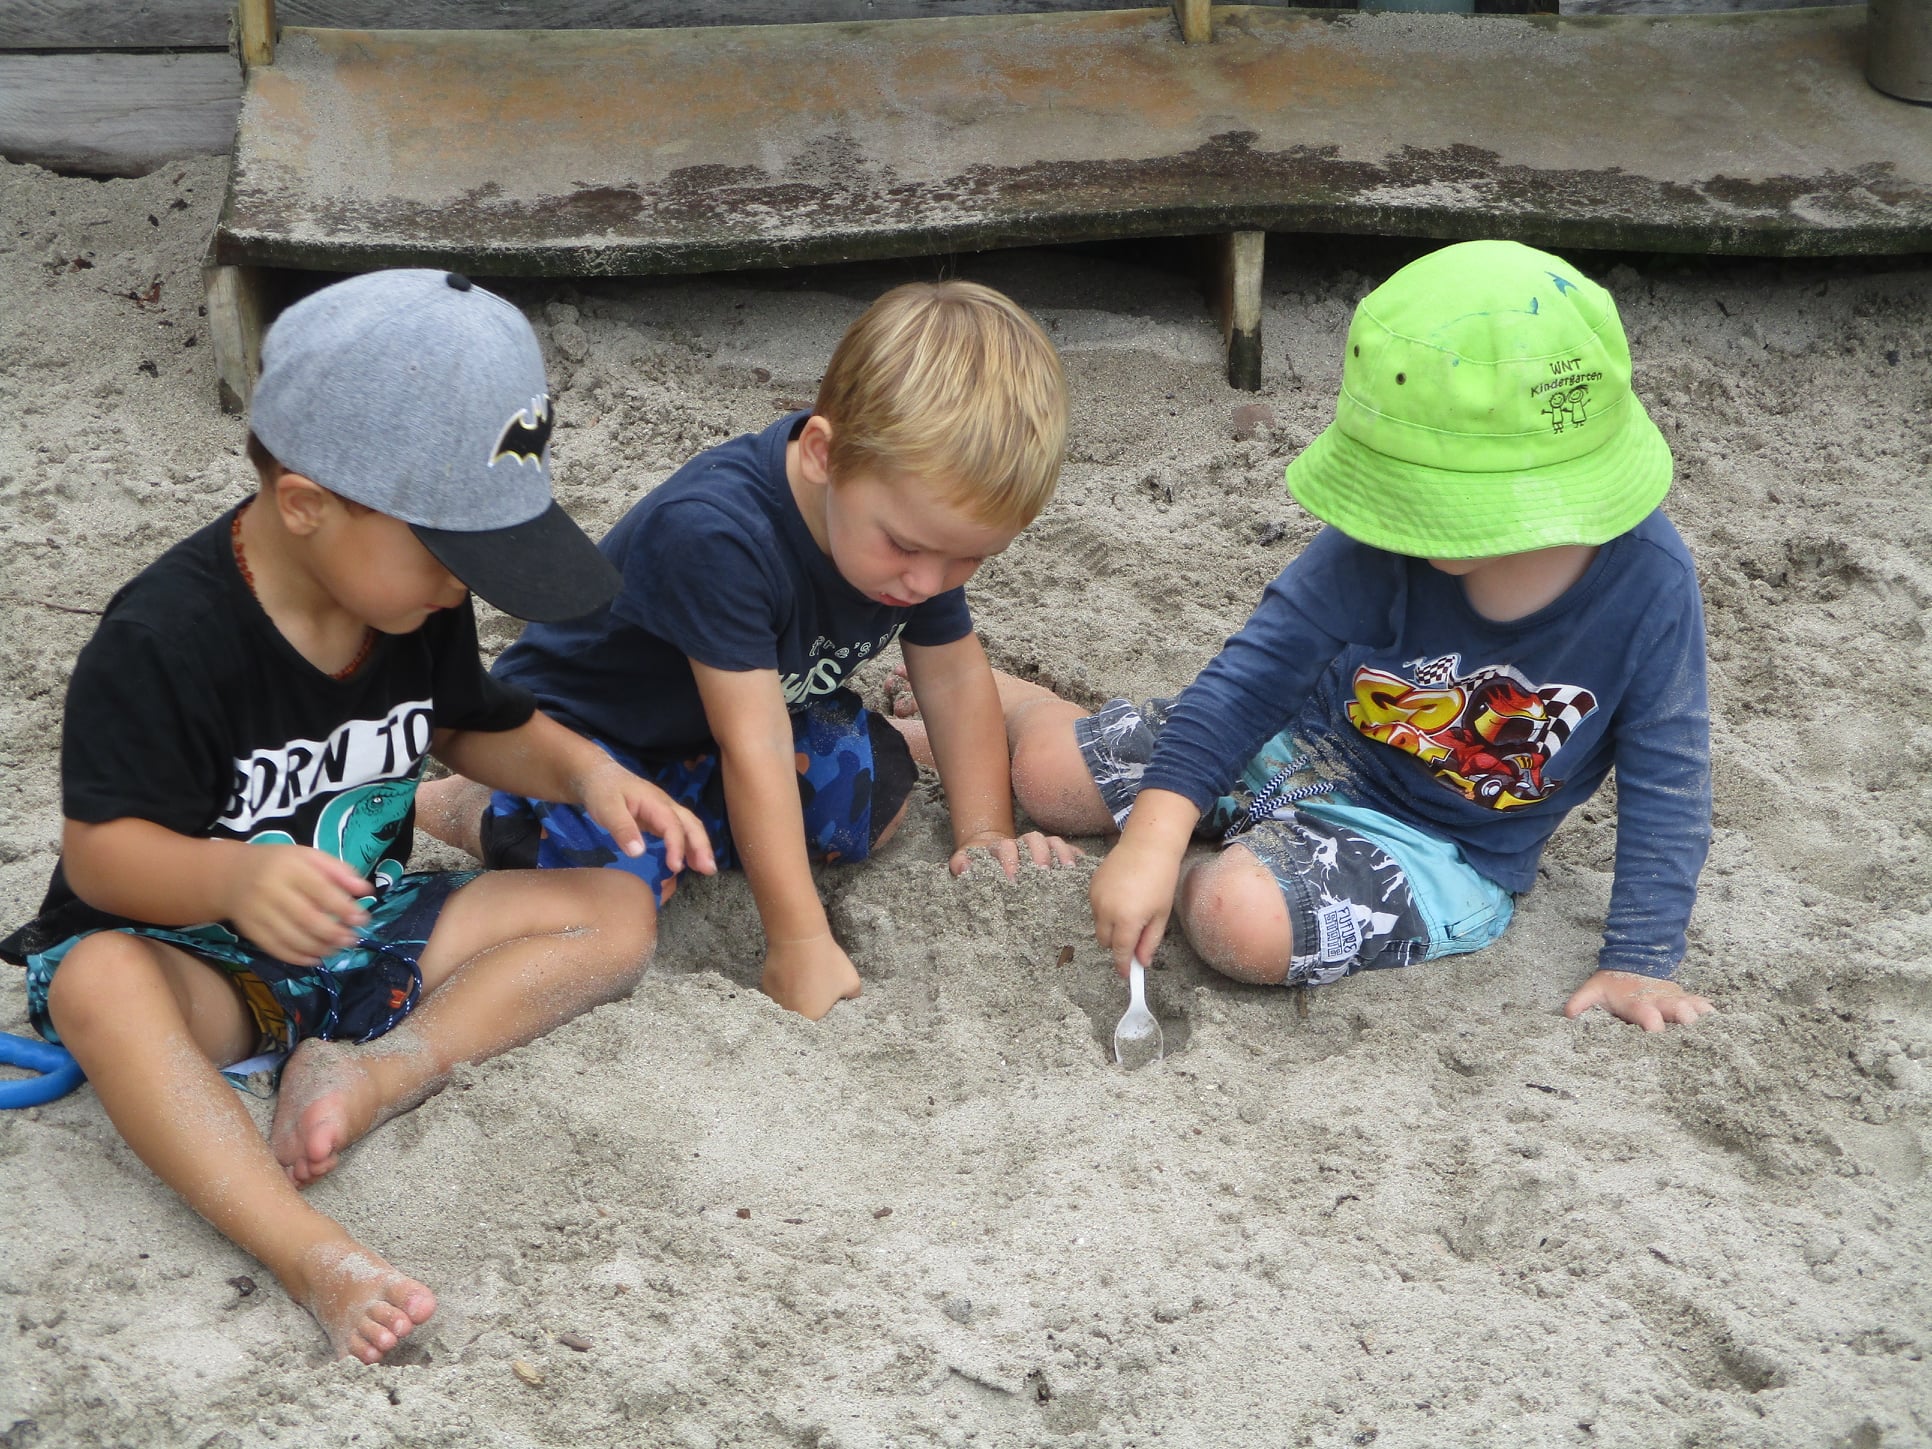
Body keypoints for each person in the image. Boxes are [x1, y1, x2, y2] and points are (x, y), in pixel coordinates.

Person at [1, 269, 715, 1364]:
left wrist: (584, 773)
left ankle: (375, 1071)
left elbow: (469, 726)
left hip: (363, 933)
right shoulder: (166, 637)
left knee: (614, 910)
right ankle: (307, 1252)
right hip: (198, 962)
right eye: (453, 555)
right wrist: (234, 881)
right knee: (99, 988)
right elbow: (102, 858)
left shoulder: (414, 597)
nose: (459, 587)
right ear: (306, 505)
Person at [919, 241, 1715, 1031]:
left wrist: (1639, 959)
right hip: (1299, 742)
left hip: (1439, 844)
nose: (1396, 514)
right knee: (1046, 776)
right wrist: (1156, 833)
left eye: (1418, 491)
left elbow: (1669, 780)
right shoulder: (1385, 538)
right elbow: (1253, 678)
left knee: (1237, 918)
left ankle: (1212, 856)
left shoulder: (1650, 584)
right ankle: (1011, 707)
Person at [418, 279, 1076, 1020]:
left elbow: (954, 674)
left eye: (966, 561)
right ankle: (468, 807)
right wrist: (798, 940)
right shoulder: (719, 534)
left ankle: (690, 824)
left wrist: (984, 831)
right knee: (623, 869)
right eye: (906, 546)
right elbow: (753, 741)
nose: (928, 580)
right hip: (585, 736)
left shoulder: (915, 531)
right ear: (825, 454)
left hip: (719, 729)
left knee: (875, 797)